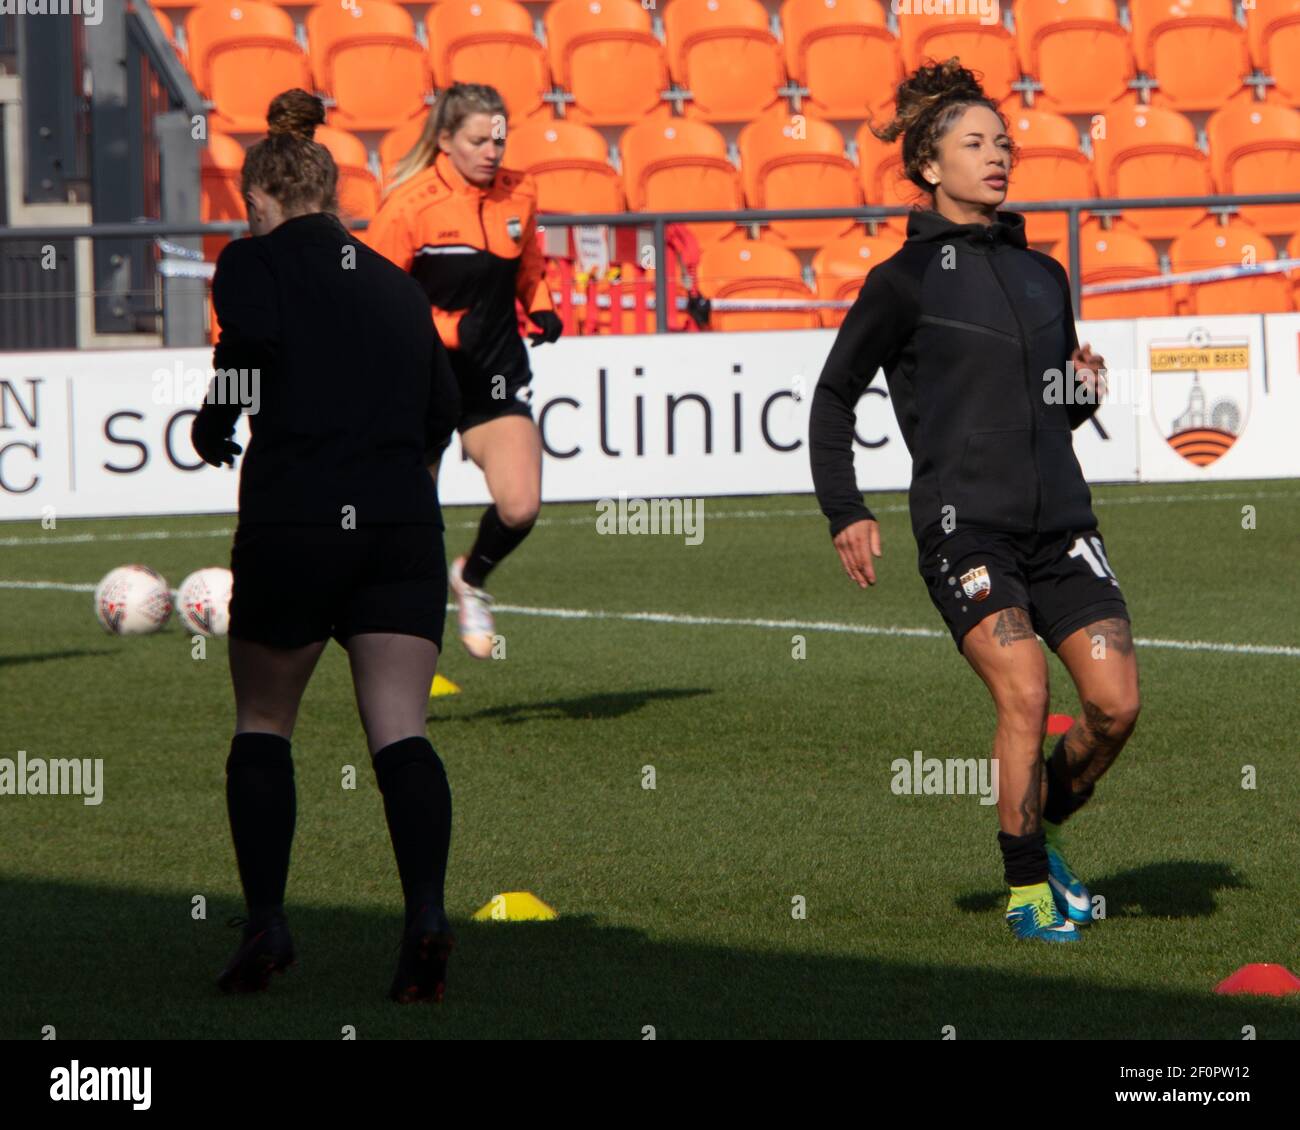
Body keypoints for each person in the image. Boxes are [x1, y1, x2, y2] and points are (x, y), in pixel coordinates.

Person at [809, 59, 1141, 943]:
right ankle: (1027, 891)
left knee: (1115, 708)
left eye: (1003, 143)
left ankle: (1042, 829)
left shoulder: (1044, 274)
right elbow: (834, 393)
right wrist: (846, 508)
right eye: (974, 143)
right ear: (928, 165)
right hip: (967, 530)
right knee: (1026, 690)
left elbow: (1055, 413)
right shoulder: (902, 282)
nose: (997, 157)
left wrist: (1081, 393)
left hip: (1063, 524)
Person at [191, 89, 462, 1000]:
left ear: (261, 198)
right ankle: (424, 914)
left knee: (264, 726)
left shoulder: (250, 261)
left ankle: (267, 923)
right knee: (402, 734)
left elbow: (253, 346)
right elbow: (440, 412)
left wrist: (215, 418)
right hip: (400, 526)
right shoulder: (393, 281)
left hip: (295, 519)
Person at [366, 83, 562, 662]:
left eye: (499, 140)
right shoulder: (408, 204)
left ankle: (472, 580)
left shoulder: (520, 192)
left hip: (492, 379)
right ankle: (401, 658)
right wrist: (448, 329)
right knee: (413, 532)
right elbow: (373, 302)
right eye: (478, 140)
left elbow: (529, 268)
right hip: (420, 385)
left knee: (521, 506)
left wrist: (542, 304)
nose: (492, 152)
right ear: (446, 140)